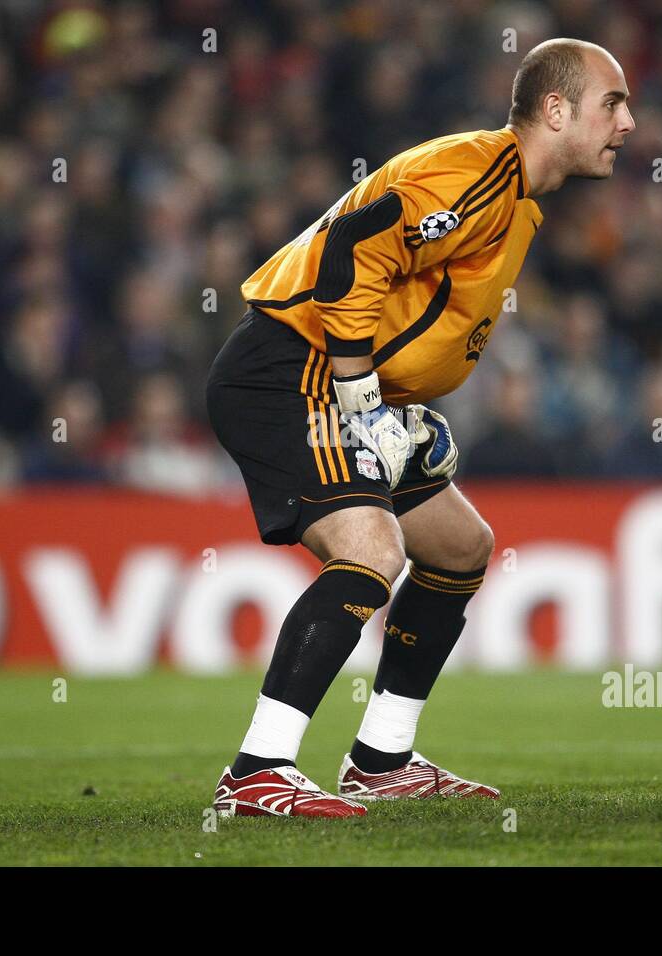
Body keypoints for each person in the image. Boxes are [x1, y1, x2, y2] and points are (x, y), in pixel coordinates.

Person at [205, 38, 635, 817]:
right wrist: (361, 399)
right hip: (291, 368)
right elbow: (349, 252)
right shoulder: (476, 173)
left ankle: (381, 758)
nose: (629, 122)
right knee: (372, 550)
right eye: (614, 102)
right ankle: (255, 770)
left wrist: (395, 402)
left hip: (331, 376)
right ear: (556, 110)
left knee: (460, 547)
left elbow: (407, 303)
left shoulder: (513, 200)